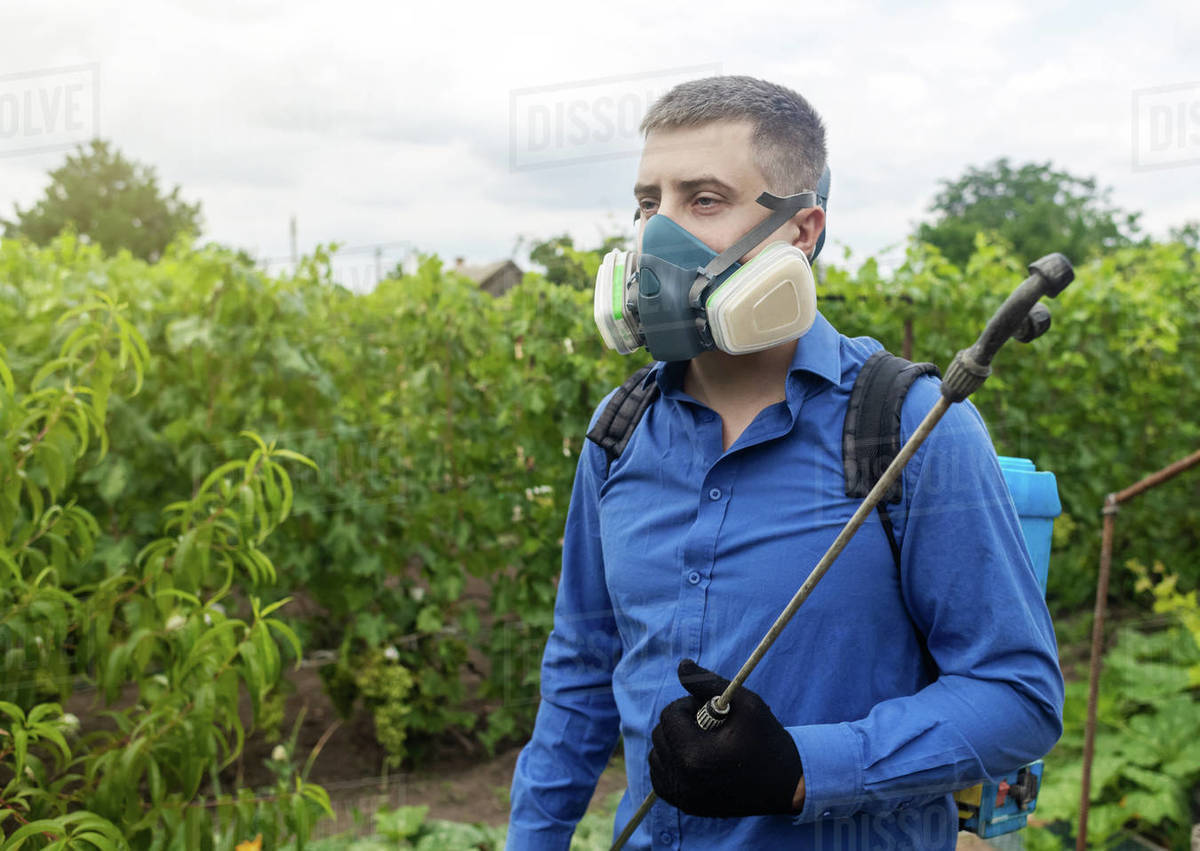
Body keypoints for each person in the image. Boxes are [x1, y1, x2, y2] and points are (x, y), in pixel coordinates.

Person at [505, 75, 1064, 850]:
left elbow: (1019, 696)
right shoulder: (619, 430)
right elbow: (579, 670)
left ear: (802, 230)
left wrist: (802, 768)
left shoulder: (910, 426)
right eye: (647, 202)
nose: (653, 237)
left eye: (702, 200)